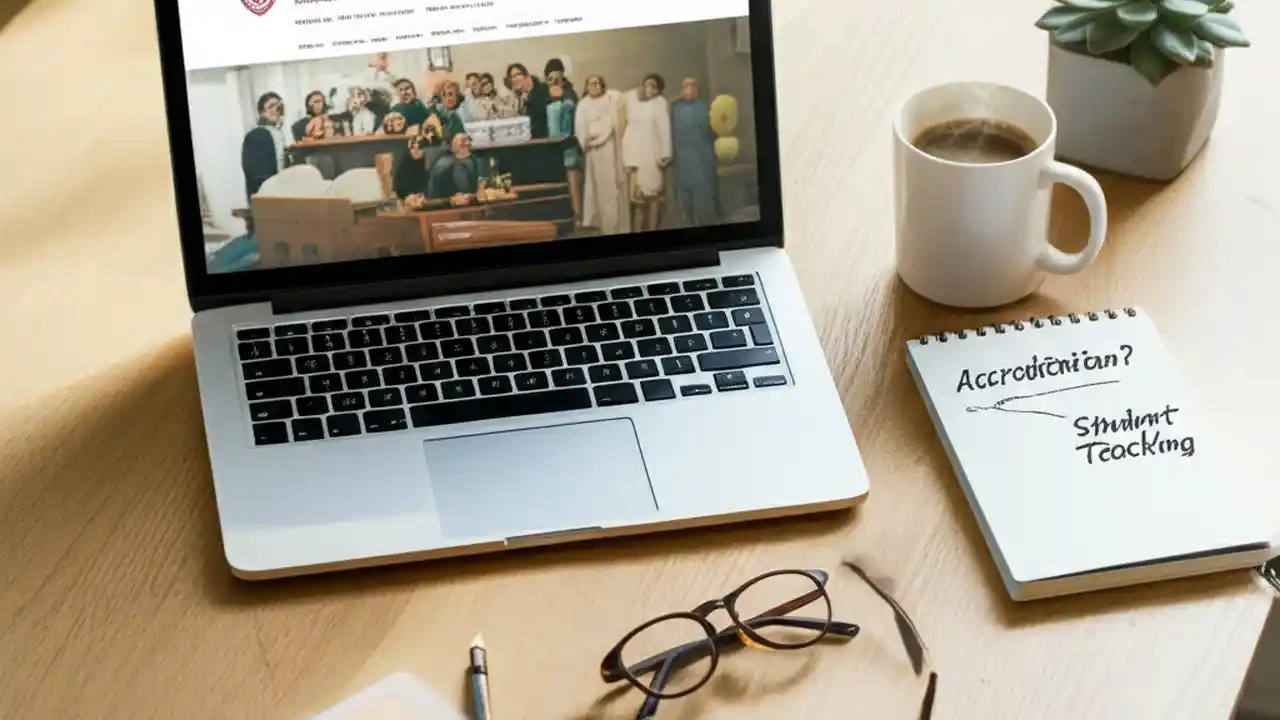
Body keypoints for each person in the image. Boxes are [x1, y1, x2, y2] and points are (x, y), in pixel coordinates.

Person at [575, 75, 628, 235]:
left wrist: (603, 134)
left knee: (610, 188)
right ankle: (599, 224)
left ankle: (612, 226)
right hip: (592, 151)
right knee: (594, 189)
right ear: (586, 86)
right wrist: (587, 141)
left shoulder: (610, 100)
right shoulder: (583, 104)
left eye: (598, 83)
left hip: (608, 148)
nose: (596, 86)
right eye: (592, 83)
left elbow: (613, 122)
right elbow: (580, 127)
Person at [622, 74, 672, 231]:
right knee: (637, 199)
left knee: (653, 197)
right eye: (647, 85)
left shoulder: (660, 104)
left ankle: (653, 229)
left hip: (652, 154)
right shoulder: (633, 101)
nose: (649, 88)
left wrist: (666, 153)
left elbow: (665, 129)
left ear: (658, 90)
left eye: (653, 86)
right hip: (635, 156)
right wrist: (627, 159)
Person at [670, 77, 721, 226]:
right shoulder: (675, 108)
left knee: (704, 194)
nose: (690, 89)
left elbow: (715, 130)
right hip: (682, 159)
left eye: (693, 85)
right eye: (686, 85)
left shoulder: (705, 106)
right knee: (684, 196)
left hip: (702, 157)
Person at [543, 60, 582, 220]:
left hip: (569, 143)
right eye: (550, 75)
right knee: (558, 184)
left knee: (573, 182)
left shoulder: (569, 91)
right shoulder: (544, 92)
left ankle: (577, 215)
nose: (553, 77)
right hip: (551, 146)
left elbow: (574, 111)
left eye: (556, 73)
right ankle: (564, 215)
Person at [241, 92, 288, 200]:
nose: (276, 110)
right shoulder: (257, 135)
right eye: (271, 106)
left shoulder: (278, 132)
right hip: (266, 194)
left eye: (278, 106)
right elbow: (256, 173)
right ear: (262, 112)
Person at [428, 132, 482, 202]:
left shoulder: (477, 161)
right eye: (462, 141)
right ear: (452, 145)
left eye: (467, 140)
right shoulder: (443, 164)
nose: (466, 143)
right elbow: (434, 191)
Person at [507, 62, 547, 136]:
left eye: (518, 75)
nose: (515, 79)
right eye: (512, 77)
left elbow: (537, 123)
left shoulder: (540, 91)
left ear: (527, 76)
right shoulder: (521, 98)